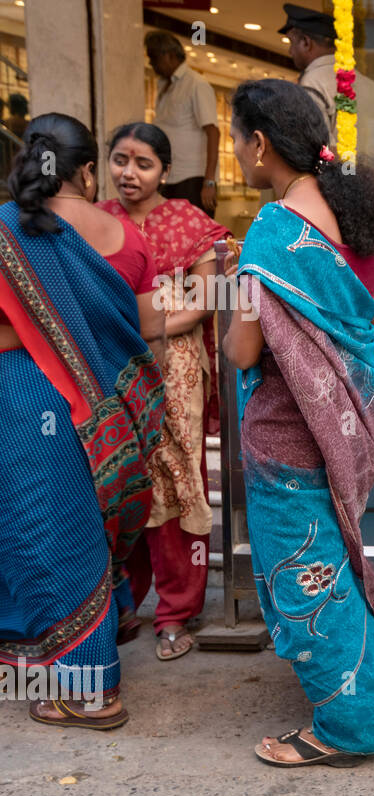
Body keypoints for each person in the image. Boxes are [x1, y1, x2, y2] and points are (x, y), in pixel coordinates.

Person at [222, 78, 374, 767]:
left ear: (258, 145)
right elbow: (368, 315)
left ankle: (351, 723)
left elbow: (243, 349)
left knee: (304, 576)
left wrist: (236, 303)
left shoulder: (274, 233)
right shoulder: (356, 212)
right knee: (334, 563)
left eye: (234, 140)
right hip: (344, 420)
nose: (235, 153)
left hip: (288, 434)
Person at [0, 113, 165, 730]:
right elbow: (138, 321)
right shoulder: (115, 230)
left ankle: (87, 692)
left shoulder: (9, 230)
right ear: (89, 170)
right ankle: (107, 628)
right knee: (82, 531)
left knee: (47, 539)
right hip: (104, 414)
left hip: (26, 402)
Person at [99, 122, 231, 661]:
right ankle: (123, 605)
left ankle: (176, 612)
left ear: (166, 172)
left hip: (173, 364)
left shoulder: (190, 222)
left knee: (177, 480)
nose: (129, 173)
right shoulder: (94, 222)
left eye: (143, 163)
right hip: (111, 363)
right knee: (119, 479)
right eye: (119, 160)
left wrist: (149, 327)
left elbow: (206, 301)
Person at [279, 4, 374, 196]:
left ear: (306, 42)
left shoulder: (312, 84)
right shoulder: (373, 88)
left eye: (292, 43)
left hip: (331, 198)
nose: (290, 51)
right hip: (369, 199)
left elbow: (320, 149)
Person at [145, 31, 219, 217]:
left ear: (167, 55)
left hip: (193, 179)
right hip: (168, 176)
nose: (151, 64)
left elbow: (213, 132)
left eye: (153, 58)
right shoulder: (164, 85)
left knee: (195, 237)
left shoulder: (196, 84)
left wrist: (209, 182)